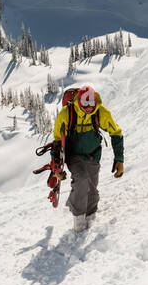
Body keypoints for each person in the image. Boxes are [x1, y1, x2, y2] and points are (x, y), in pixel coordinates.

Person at [53, 85, 124, 232]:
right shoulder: (67, 114)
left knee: (92, 187)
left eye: (91, 104)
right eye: (84, 104)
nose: (88, 108)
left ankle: (91, 216)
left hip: (93, 154)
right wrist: (56, 165)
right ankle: (78, 219)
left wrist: (119, 158)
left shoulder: (100, 112)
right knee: (82, 179)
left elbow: (116, 132)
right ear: (78, 101)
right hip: (73, 154)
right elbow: (57, 141)